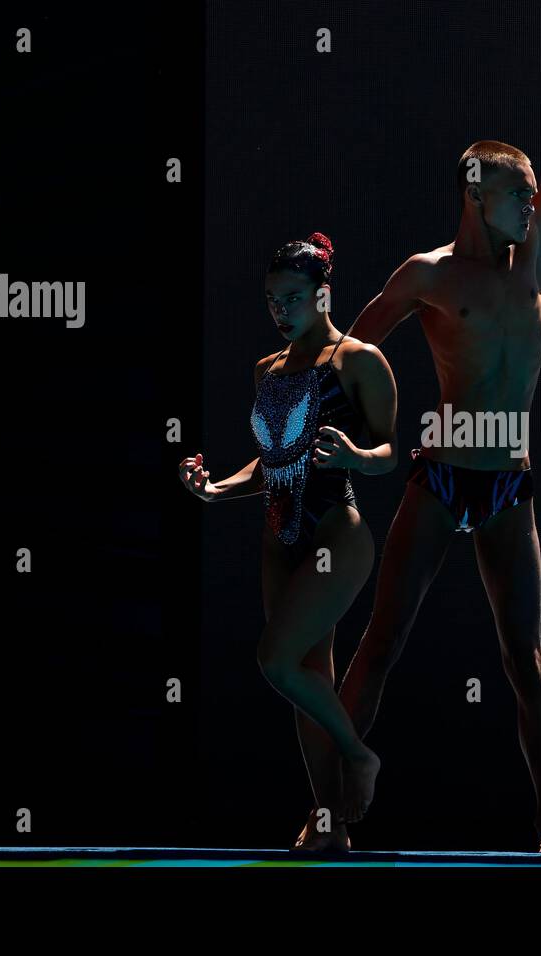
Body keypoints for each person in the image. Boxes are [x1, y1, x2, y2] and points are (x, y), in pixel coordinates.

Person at [336, 16, 541, 852]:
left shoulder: (536, 252)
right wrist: (343, 429)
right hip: (439, 477)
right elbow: (352, 353)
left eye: (536, 198)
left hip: (509, 485)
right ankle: (326, 817)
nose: (534, 204)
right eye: (519, 195)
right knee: (382, 642)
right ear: (477, 194)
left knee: (524, 657)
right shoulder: (429, 275)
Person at [178, 232, 398, 853]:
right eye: (272, 300)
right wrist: (216, 489)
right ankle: (328, 825)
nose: (281, 311)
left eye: (293, 298)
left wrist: (356, 452)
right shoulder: (266, 370)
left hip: (336, 533)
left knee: (277, 660)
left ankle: (359, 757)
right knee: (306, 679)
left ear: (323, 295)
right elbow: (273, 458)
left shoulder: (359, 361)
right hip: (280, 538)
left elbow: (388, 451)